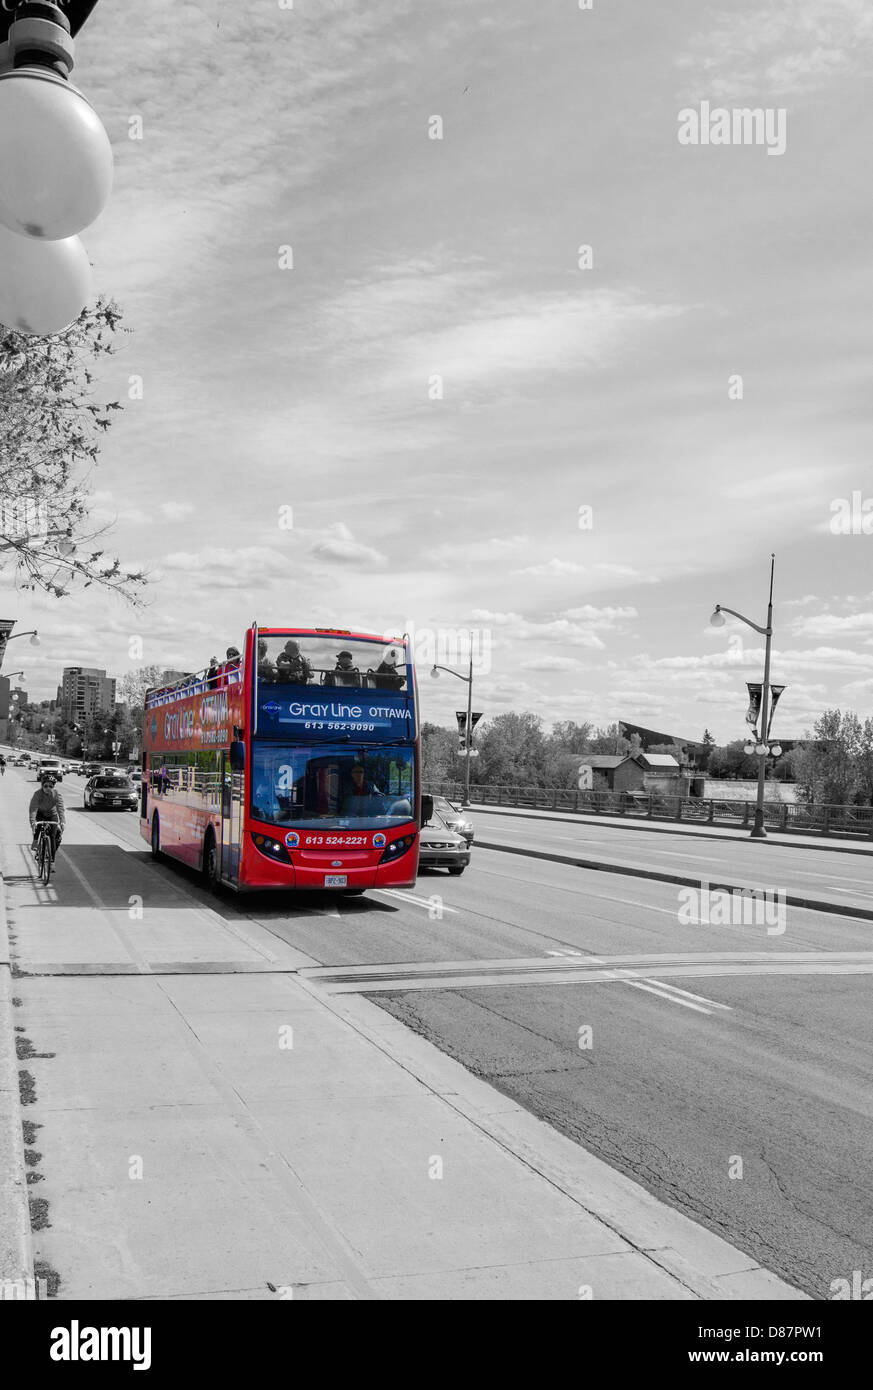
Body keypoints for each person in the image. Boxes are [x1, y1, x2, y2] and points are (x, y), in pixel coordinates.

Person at [29, 772, 65, 860]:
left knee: (53, 836)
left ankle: (52, 860)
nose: (48, 788)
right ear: (42, 786)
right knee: (37, 830)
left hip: (52, 815)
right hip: (40, 814)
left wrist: (63, 822)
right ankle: (37, 845)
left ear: (53, 787)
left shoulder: (57, 794)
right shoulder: (37, 794)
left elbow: (60, 808)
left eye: (50, 786)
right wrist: (33, 822)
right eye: (45, 786)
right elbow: (33, 809)